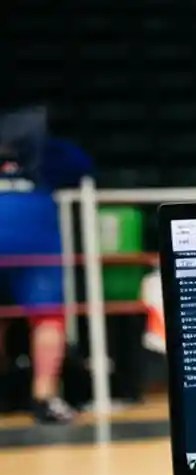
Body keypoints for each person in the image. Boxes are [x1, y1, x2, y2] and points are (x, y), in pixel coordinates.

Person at [0, 107, 92, 424]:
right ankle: (45, 397)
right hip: (34, 235)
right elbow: (83, 166)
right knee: (48, 319)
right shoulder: (44, 149)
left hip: (24, 234)